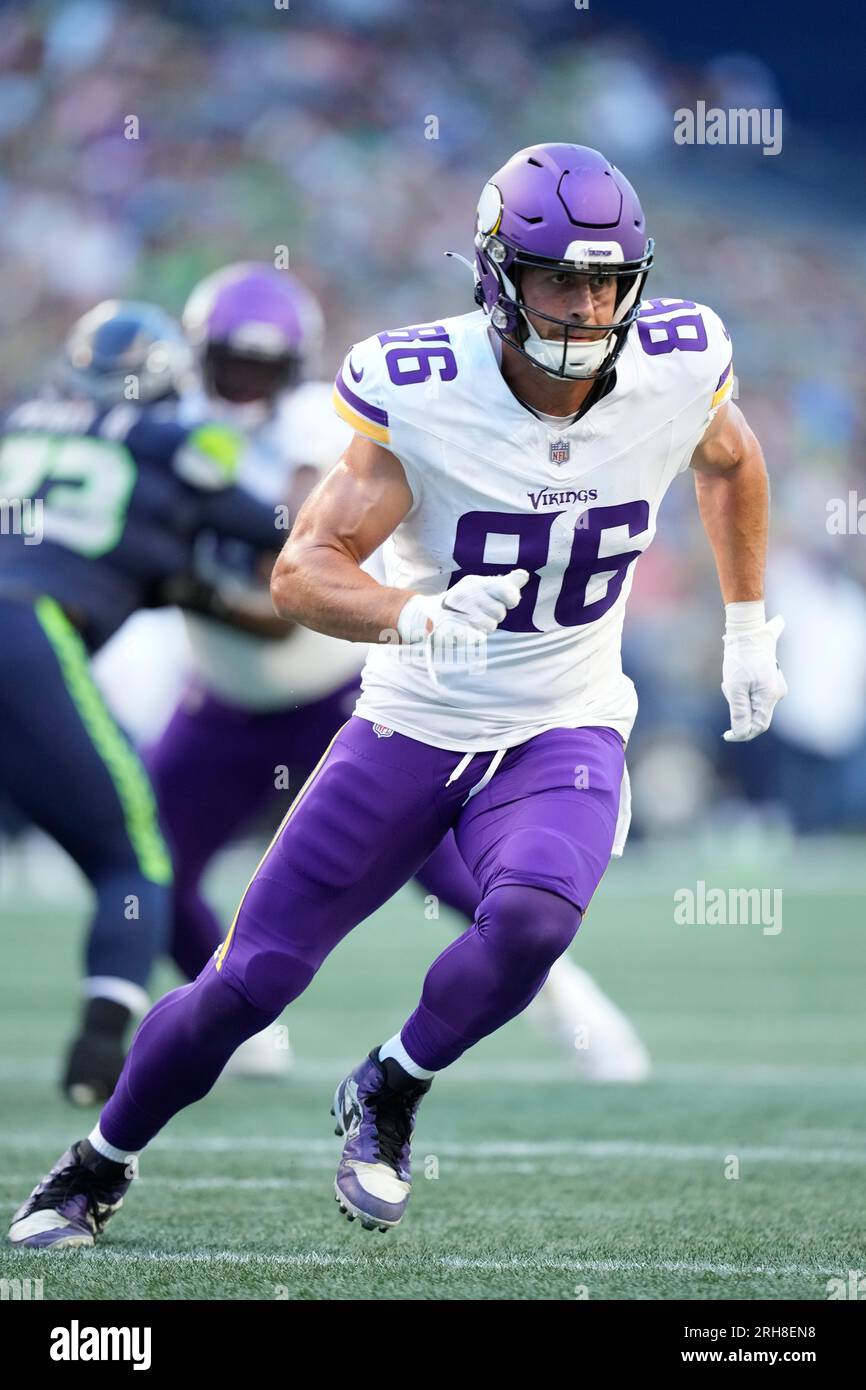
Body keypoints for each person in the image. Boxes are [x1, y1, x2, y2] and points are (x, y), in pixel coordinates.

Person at [9, 143, 786, 1247]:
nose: (586, 303)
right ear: (495, 274)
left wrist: (747, 626)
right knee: (246, 984)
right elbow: (300, 569)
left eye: (607, 279)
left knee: (526, 921)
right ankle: (96, 1166)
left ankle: (389, 1086)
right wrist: (409, 613)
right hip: (413, 715)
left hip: (561, 714)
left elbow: (731, 460)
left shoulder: (677, 359)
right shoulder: (420, 388)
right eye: (558, 277)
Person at [150, 261, 651, 1081]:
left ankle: (564, 992)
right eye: (229, 366)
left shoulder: (315, 423)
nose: (241, 388)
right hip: (224, 699)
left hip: (330, 690)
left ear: (294, 367)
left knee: (452, 877)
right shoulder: (172, 430)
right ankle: (236, 1019)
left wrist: (180, 561)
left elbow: (289, 562)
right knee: (155, 864)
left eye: (260, 369)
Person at [0, 300, 281, 1105]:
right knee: (135, 861)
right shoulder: (182, 442)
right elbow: (266, 524)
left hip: (29, 617)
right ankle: (98, 1059)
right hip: (24, 631)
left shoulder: (20, 419)